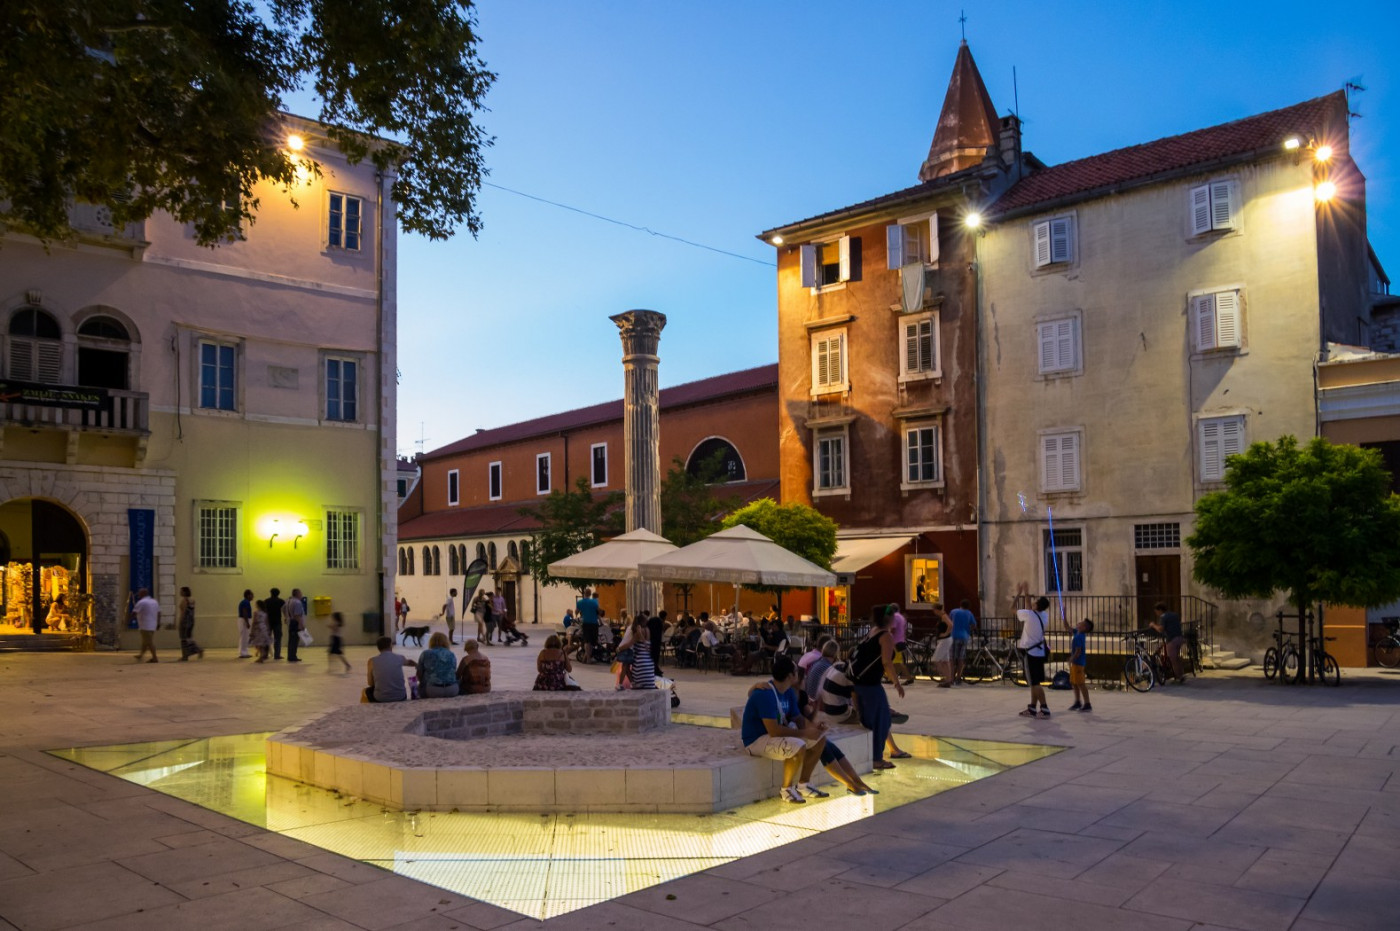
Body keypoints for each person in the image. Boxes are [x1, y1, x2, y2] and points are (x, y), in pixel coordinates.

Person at [740, 654, 829, 803]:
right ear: (790, 675)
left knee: (820, 740)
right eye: (795, 670)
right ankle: (786, 790)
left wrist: (813, 728)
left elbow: (797, 718)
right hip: (756, 740)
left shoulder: (787, 692)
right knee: (798, 746)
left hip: (772, 736)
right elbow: (774, 731)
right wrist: (805, 733)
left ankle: (804, 784)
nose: (799, 673)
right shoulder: (765, 694)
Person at [849, 606, 905, 769]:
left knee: (870, 720)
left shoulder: (872, 631)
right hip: (871, 686)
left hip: (859, 684)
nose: (895, 619)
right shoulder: (885, 636)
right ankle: (876, 759)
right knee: (882, 720)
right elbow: (886, 662)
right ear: (887, 619)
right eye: (893, 616)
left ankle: (871, 756)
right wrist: (896, 683)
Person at [1017, 595, 1052, 718]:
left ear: (1037, 605)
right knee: (1033, 682)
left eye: (1035, 601)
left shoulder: (1030, 615)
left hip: (1030, 653)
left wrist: (1018, 594)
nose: (1033, 602)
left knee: (1035, 683)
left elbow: (1013, 609)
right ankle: (1032, 707)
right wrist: (1026, 594)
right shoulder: (1043, 615)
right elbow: (1030, 610)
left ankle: (1044, 708)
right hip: (1039, 652)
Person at [367, 636, 416, 702]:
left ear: (378, 648)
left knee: (368, 691)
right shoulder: (400, 658)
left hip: (381, 698)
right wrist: (417, 665)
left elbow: (370, 683)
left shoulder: (372, 661)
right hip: (400, 696)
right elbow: (409, 662)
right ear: (390, 646)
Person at [1151, 602, 1186, 684]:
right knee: (1177, 658)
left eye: (1156, 612)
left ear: (1160, 610)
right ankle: (1181, 674)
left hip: (1172, 639)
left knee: (1173, 659)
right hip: (1179, 637)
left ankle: (1179, 678)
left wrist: (1153, 625)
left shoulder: (1163, 617)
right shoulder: (1174, 615)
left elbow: (1161, 629)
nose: (1156, 614)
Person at [417, 632, 459, 697]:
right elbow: (453, 671)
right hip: (452, 689)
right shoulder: (451, 654)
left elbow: (419, 675)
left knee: (418, 687)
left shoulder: (426, 653)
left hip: (433, 690)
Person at [948, 599, 978, 684]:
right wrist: (968, 630)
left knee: (952, 658)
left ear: (960, 604)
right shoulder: (969, 613)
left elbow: (949, 622)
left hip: (953, 636)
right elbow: (974, 625)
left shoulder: (953, 611)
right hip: (964, 637)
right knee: (961, 658)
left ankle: (951, 677)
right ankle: (958, 677)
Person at [1068, 618, 1094, 712]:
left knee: (1080, 683)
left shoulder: (1079, 637)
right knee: (1074, 682)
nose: (1078, 623)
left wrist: (1072, 658)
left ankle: (1087, 703)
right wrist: (1064, 614)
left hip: (1078, 663)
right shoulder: (1077, 633)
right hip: (1076, 663)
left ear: (1084, 628)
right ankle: (1077, 701)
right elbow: (1067, 627)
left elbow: (1078, 651)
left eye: (1081, 623)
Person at [888, 603, 914, 685]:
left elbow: (893, 629)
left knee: (898, 662)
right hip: (900, 640)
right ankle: (892, 677)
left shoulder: (895, 617)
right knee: (895, 662)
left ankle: (909, 678)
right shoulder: (901, 617)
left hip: (895, 642)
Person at [133, 587, 160, 663]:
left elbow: (134, 612)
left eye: (139, 593)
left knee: (149, 642)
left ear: (143, 594)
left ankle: (155, 657)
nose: (138, 594)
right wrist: (158, 623)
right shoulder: (154, 601)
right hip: (152, 625)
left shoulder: (141, 602)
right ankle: (141, 654)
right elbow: (159, 613)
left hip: (145, 625)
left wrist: (129, 619)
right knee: (145, 642)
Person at [176, 586, 204, 660]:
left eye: (181, 591)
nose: (180, 592)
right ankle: (195, 650)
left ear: (184, 592)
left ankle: (186, 655)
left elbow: (183, 612)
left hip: (185, 621)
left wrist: (180, 622)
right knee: (189, 638)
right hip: (191, 621)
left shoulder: (184, 600)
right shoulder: (192, 600)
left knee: (183, 638)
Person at [628, 623, 656, 689]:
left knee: (626, 667)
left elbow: (628, 646)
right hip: (650, 681)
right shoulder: (651, 644)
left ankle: (633, 683)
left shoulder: (636, 642)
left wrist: (618, 649)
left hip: (639, 679)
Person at [576, 588, 600, 663]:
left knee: (587, 641)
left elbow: (576, 612)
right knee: (592, 641)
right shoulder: (594, 602)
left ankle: (586, 658)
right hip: (594, 623)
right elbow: (598, 611)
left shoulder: (580, 602)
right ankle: (588, 659)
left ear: (584, 594)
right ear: (590, 594)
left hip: (585, 623)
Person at [285, 588, 306, 662]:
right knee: (294, 640)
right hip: (295, 623)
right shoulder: (297, 602)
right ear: (297, 594)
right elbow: (297, 615)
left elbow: (284, 610)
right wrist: (301, 625)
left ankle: (290, 655)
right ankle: (292, 656)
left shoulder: (288, 601)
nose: (301, 594)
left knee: (291, 640)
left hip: (291, 622)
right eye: (300, 593)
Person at [265, 588, 286, 660]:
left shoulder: (266, 601)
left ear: (271, 593)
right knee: (277, 638)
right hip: (277, 622)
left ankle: (265, 654)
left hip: (268, 622)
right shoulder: (281, 601)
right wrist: (286, 618)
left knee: (267, 638)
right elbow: (284, 611)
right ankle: (277, 655)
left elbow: (264, 612)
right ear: (278, 593)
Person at [648, 609, 669, 676]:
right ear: (665, 617)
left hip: (651, 641)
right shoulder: (660, 622)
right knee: (655, 657)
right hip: (656, 643)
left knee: (652, 657)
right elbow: (659, 634)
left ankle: (655, 670)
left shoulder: (653, 620)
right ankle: (655, 670)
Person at [237, 589, 254, 658]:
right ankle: (243, 653)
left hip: (243, 619)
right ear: (248, 595)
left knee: (245, 637)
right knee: (245, 637)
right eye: (252, 595)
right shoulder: (245, 602)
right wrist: (247, 622)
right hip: (244, 620)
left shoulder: (245, 602)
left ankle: (244, 651)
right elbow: (244, 612)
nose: (253, 596)